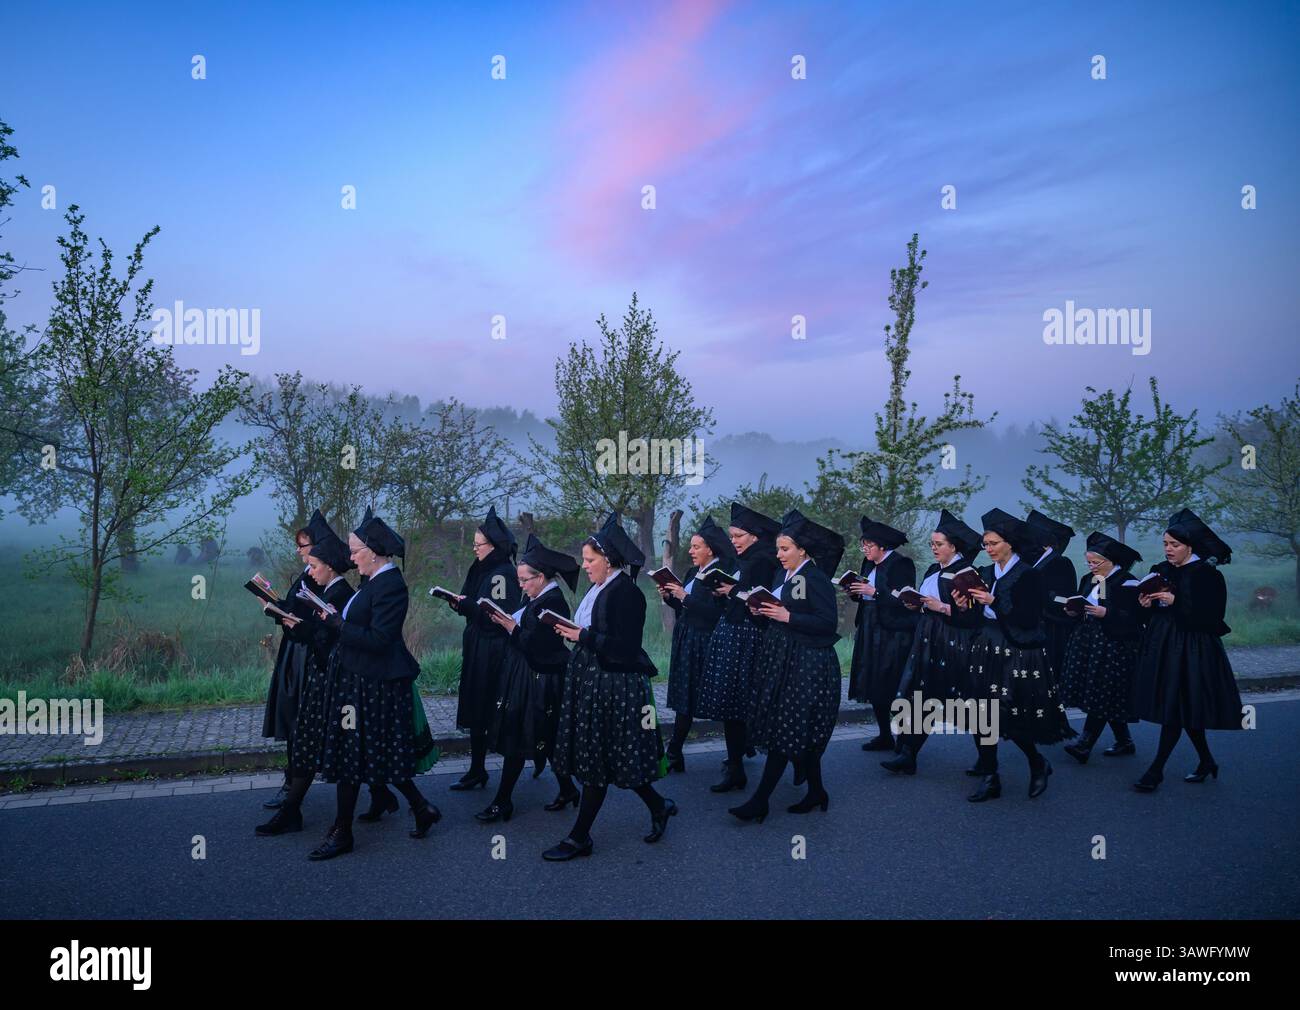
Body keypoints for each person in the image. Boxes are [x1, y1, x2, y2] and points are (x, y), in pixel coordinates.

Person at [305, 509, 440, 860]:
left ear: (375, 552)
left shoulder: (391, 585)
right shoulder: (372, 581)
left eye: (354, 551)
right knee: (371, 755)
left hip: (375, 684)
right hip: (359, 680)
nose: (350, 558)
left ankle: (342, 832)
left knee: (356, 756)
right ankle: (421, 807)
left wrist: (338, 625)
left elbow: (381, 639)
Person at [545, 513, 675, 860]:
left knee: (597, 762)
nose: (585, 566)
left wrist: (582, 636)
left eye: (590, 559)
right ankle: (659, 805)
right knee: (612, 757)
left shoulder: (628, 593)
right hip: (594, 679)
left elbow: (626, 648)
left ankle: (579, 838)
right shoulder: (599, 587)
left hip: (617, 684)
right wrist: (572, 633)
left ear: (610, 559)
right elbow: (592, 633)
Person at [729, 510, 844, 822]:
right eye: (778, 549)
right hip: (782, 657)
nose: (778, 555)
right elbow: (779, 615)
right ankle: (817, 791)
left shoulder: (814, 578)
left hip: (808, 662)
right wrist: (761, 613)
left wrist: (788, 617)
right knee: (795, 729)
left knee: (786, 730)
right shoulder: (784, 576)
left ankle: (760, 801)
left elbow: (827, 623)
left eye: (784, 549)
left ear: (802, 550)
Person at [958, 509, 1074, 803]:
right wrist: (964, 604)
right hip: (985, 646)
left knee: (1010, 715)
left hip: (1016, 651)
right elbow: (975, 616)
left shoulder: (1029, 575)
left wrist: (993, 601)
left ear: (1010, 542)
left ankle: (1037, 762)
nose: (988, 549)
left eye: (993, 543)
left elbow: (1028, 618)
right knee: (980, 714)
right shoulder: (984, 573)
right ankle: (990, 776)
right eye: (985, 544)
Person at [255, 512, 356, 836]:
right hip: (313, 664)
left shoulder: (336, 589)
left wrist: (294, 623)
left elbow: (327, 633)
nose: (304, 559)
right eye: (301, 550)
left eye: (308, 551)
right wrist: (280, 612)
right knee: (309, 740)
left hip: (325, 672)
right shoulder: (318, 580)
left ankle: (408, 804)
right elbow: (312, 623)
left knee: (333, 745)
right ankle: (293, 808)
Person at [1131, 509, 1242, 792]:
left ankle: (1155, 771)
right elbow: (1152, 612)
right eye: (1165, 544)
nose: (1168, 549)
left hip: (1194, 649)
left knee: (1175, 709)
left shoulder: (1208, 574)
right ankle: (1206, 761)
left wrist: (1174, 600)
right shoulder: (1162, 569)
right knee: (1182, 708)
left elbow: (1211, 618)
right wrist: (1148, 606)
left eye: (1175, 545)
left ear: (1190, 547)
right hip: (1163, 646)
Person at [478, 534, 581, 821]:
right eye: (520, 580)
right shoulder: (536, 597)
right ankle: (568, 789)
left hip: (541, 679)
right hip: (525, 674)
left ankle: (502, 801)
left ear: (543, 576)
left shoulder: (554, 601)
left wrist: (511, 627)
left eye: (525, 580)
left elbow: (541, 645)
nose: (521, 586)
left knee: (518, 736)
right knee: (542, 735)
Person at [880, 509, 984, 776]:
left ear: (954, 546)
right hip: (928, 636)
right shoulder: (932, 569)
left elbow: (973, 616)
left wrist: (941, 608)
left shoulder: (967, 574)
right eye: (932, 544)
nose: (934, 548)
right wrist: (914, 603)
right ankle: (907, 752)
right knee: (922, 695)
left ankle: (988, 758)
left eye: (939, 544)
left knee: (966, 702)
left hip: (954, 640)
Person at [696, 503, 781, 793]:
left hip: (748, 638)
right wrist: (723, 593)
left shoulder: (763, 560)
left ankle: (742, 765)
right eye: (731, 536)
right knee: (734, 706)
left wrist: (731, 591)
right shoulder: (746, 560)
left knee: (739, 705)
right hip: (734, 634)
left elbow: (760, 600)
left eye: (738, 536)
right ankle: (736, 764)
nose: (733, 541)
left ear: (754, 536)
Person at [445, 505, 522, 792]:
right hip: (478, 647)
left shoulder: (502, 573)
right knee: (477, 708)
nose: (474, 550)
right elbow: (476, 606)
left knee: (493, 710)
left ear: (494, 546)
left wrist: (468, 606)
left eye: (479, 545)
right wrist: (460, 605)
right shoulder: (481, 569)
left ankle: (541, 769)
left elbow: (499, 614)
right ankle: (477, 769)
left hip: (495, 651)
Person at [1058, 532, 1143, 764]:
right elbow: (1085, 603)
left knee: (1102, 691)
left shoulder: (1127, 581)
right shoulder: (1090, 579)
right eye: (1089, 562)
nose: (1092, 566)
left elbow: (1137, 617)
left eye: (1096, 562)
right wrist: (1073, 611)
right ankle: (1125, 741)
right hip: (1087, 642)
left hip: (1114, 645)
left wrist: (1108, 613)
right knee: (1103, 693)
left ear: (1112, 561)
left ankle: (1084, 744)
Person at [659, 516, 734, 773]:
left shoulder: (719, 575)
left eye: (696, 547)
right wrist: (671, 598)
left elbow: (715, 614)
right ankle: (675, 752)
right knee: (684, 696)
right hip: (686, 638)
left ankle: (738, 750)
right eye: (690, 546)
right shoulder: (693, 572)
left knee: (718, 697)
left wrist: (685, 596)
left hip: (707, 642)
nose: (690, 551)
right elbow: (685, 608)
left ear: (710, 549)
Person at [259, 525, 319, 810]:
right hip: (292, 651)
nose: (299, 551)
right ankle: (291, 783)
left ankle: (291, 787)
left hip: (304, 656)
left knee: (299, 723)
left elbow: (307, 619)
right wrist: (271, 603)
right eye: (298, 546)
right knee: (293, 720)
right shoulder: (307, 574)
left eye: (303, 545)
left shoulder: (318, 578)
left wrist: (281, 611)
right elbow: (293, 611)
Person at [846, 518, 918, 753]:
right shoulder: (868, 565)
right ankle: (885, 735)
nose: (865, 549)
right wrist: (855, 591)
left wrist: (874, 592)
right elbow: (863, 595)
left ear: (883, 547)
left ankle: (906, 741)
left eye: (868, 545)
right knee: (873, 682)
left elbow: (905, 601)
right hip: (869, 626)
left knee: (892, 683)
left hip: (892, 632)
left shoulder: (901, 565)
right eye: (863, 545)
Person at [1025, 510, 1080, 680]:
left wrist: (1042, 596)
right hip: (1036, 623)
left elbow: (1063, 597)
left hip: (1052, 627)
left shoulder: (1060, 562)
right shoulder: (1034, 561)